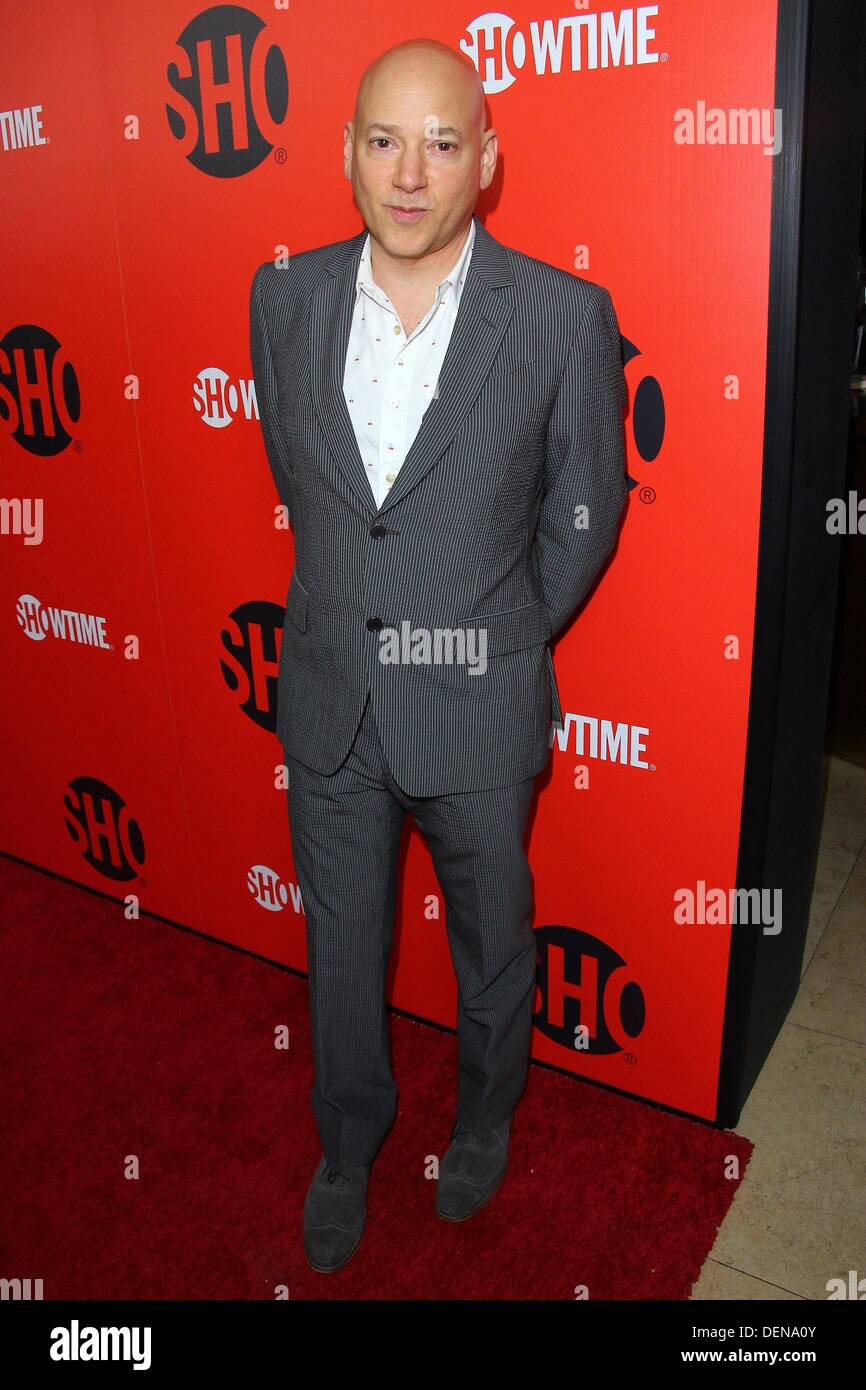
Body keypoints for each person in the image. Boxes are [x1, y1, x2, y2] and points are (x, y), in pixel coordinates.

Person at [249, 37, 628, 1274]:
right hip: (327, 700)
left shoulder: (564, 318)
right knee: (340, 952)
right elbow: (318, 501)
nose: (408, 175)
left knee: (493, 948)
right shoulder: (284, 299)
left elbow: (581, 516)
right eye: (381, 140)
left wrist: (489, 629)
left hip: (477, 702)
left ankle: (480, 1124)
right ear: (348, 151)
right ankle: (346, 1144)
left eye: (442, 142)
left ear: (487, 163)